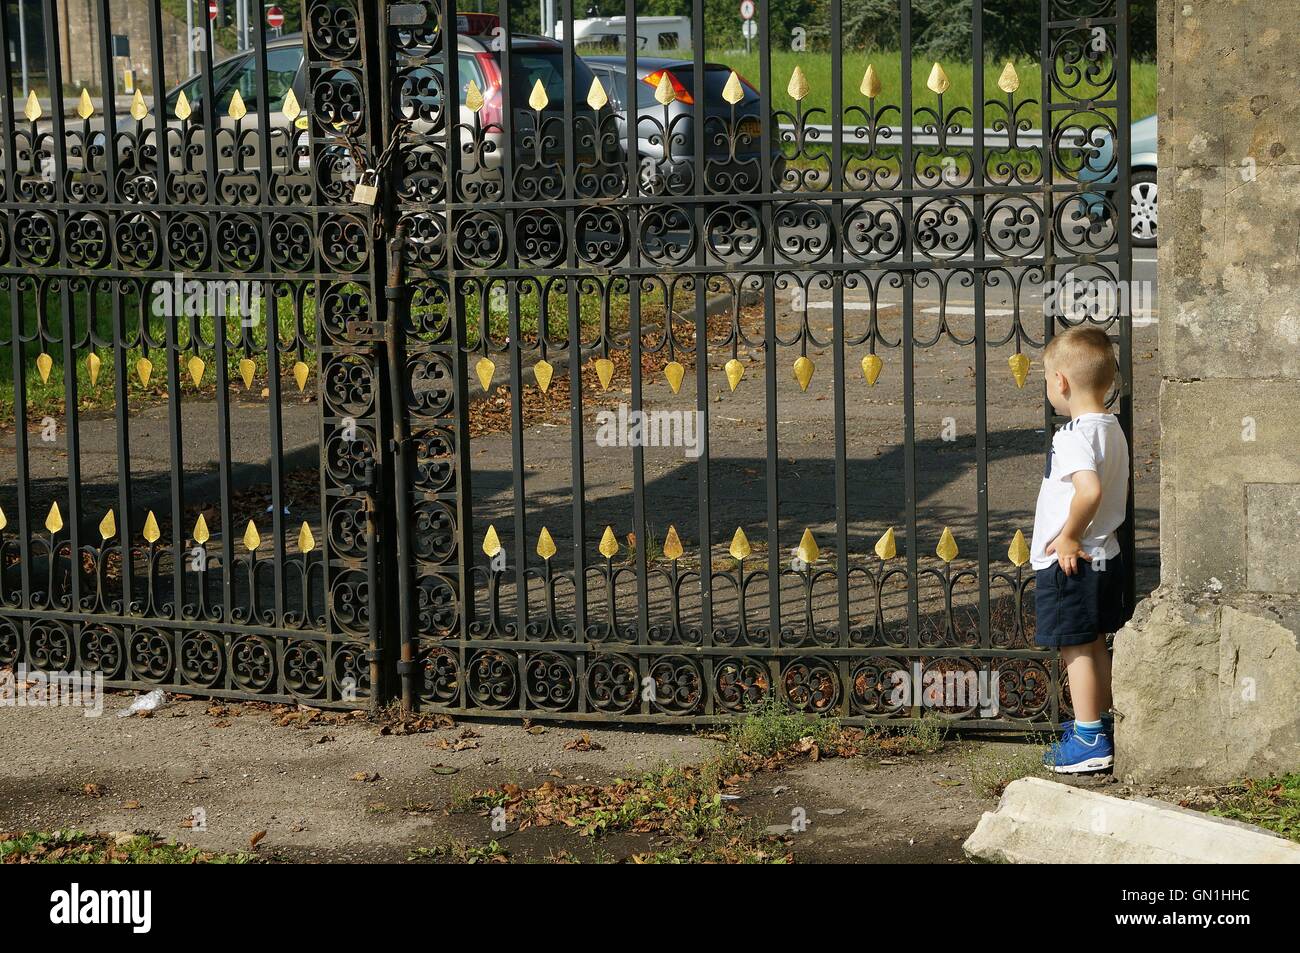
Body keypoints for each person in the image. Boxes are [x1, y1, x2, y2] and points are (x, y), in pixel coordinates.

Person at [1031, 325, 1131, 773]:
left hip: (1072, 560)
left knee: (1074, 649)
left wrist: (1068, 534)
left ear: (1062, 383)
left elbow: (1087, 491)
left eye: (1048, 378)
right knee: (1094, 644)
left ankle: (1089, 740)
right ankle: (1101, 724)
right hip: (1104, 555)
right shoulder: (1111, 429)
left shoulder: (1071, 435)